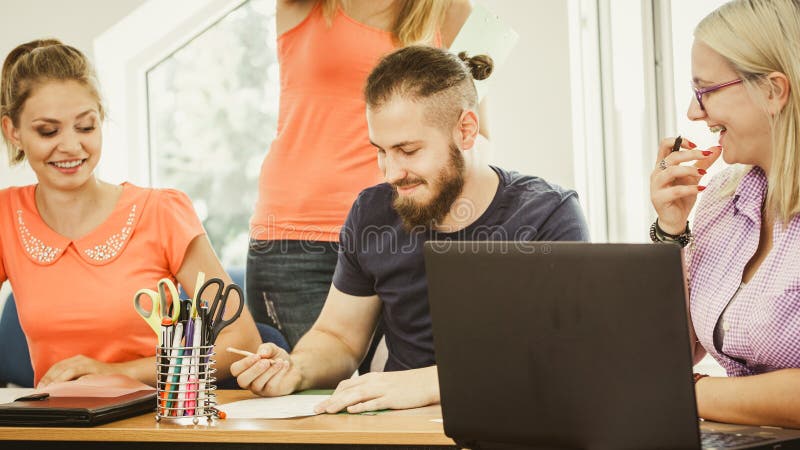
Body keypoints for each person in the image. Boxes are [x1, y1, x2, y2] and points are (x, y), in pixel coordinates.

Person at [232, 45, 590, 413]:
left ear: (466, 130)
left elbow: (562, 356)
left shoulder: (548, 214)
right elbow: (338, 337)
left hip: (513, 420)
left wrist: (434, 382)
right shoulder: (372, 211)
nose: (390, 172)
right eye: (381, 151)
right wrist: (296, 369)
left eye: (408, 150)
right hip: (400, 430)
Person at [0, 39, 262, 387]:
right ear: (13, 131)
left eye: (86, 127)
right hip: (59, 427)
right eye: (48, 131)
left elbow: (241, 344)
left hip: (153, 425)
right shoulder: (7, 215)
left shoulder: (161, 212)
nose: (71, 146)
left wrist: (117, 374)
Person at [247, 0, 485, 349]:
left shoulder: (450, 9)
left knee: (414, 386)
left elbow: (479, 137)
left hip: (405, 233)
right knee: (310, 393)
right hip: (299, 237)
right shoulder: (308, 6)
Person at [649, 0, 800, 429]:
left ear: (773, 90)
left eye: (706, 90)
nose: (694, 112)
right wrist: (671, 228)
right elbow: (668, 354)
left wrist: (693, 392)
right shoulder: (722, 199)